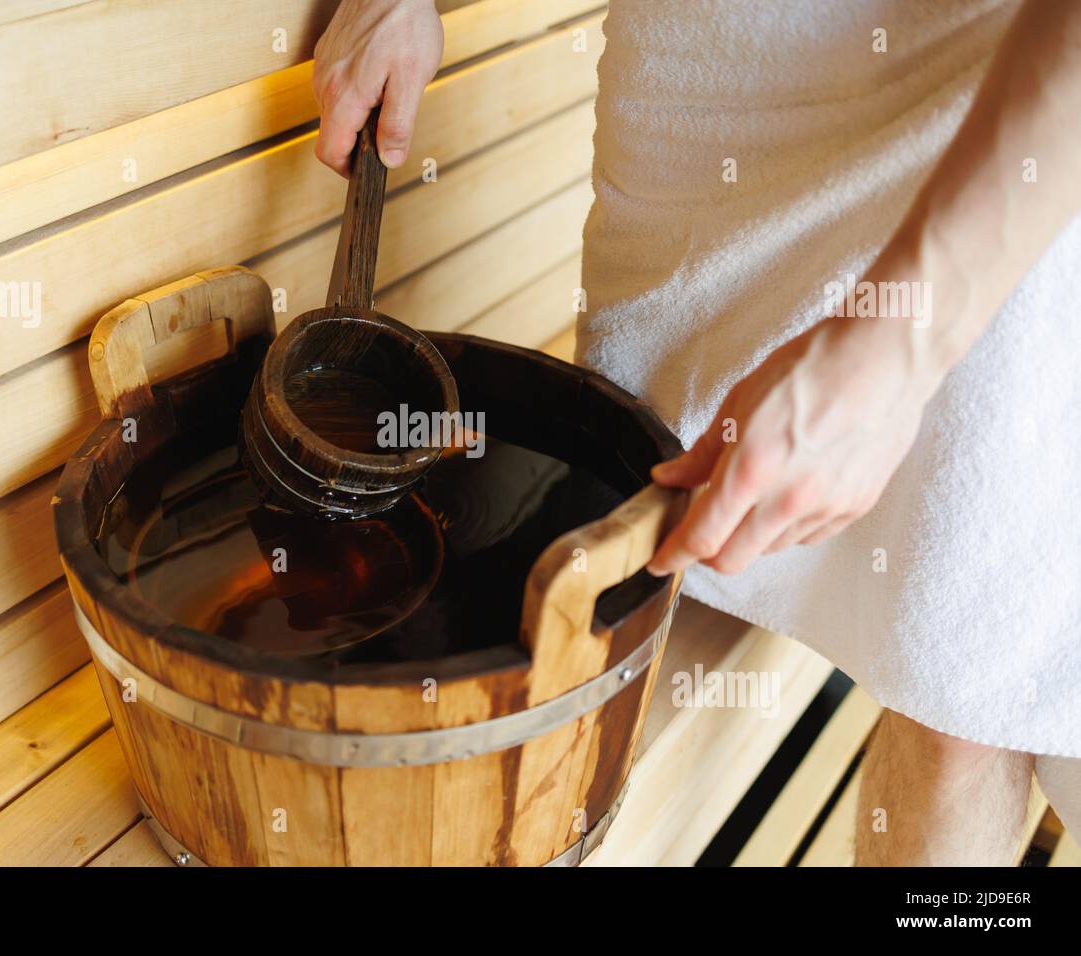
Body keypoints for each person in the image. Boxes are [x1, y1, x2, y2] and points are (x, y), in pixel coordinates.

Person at [310, 0, 1080, 866]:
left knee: (961, 685)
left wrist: (893, 349)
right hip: (703, 97)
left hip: (997, 135)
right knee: (653, 476)